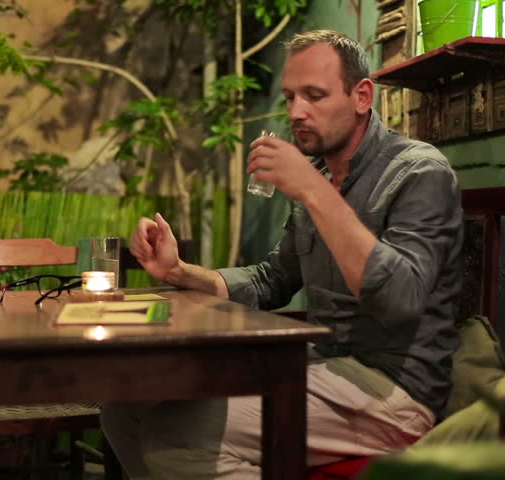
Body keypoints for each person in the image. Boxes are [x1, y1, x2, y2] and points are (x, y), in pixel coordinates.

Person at [100, 29, 463, 479]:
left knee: (179, 434)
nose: (296, 112)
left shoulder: (419, 171)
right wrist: (179, 271)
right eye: (290, 97)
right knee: (125, 405)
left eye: (314, 95)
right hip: (319, 364)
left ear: (362, 96)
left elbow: (401, 302)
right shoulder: (318, 175)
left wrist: (313, 190)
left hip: (394, 390)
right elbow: (272, 280)